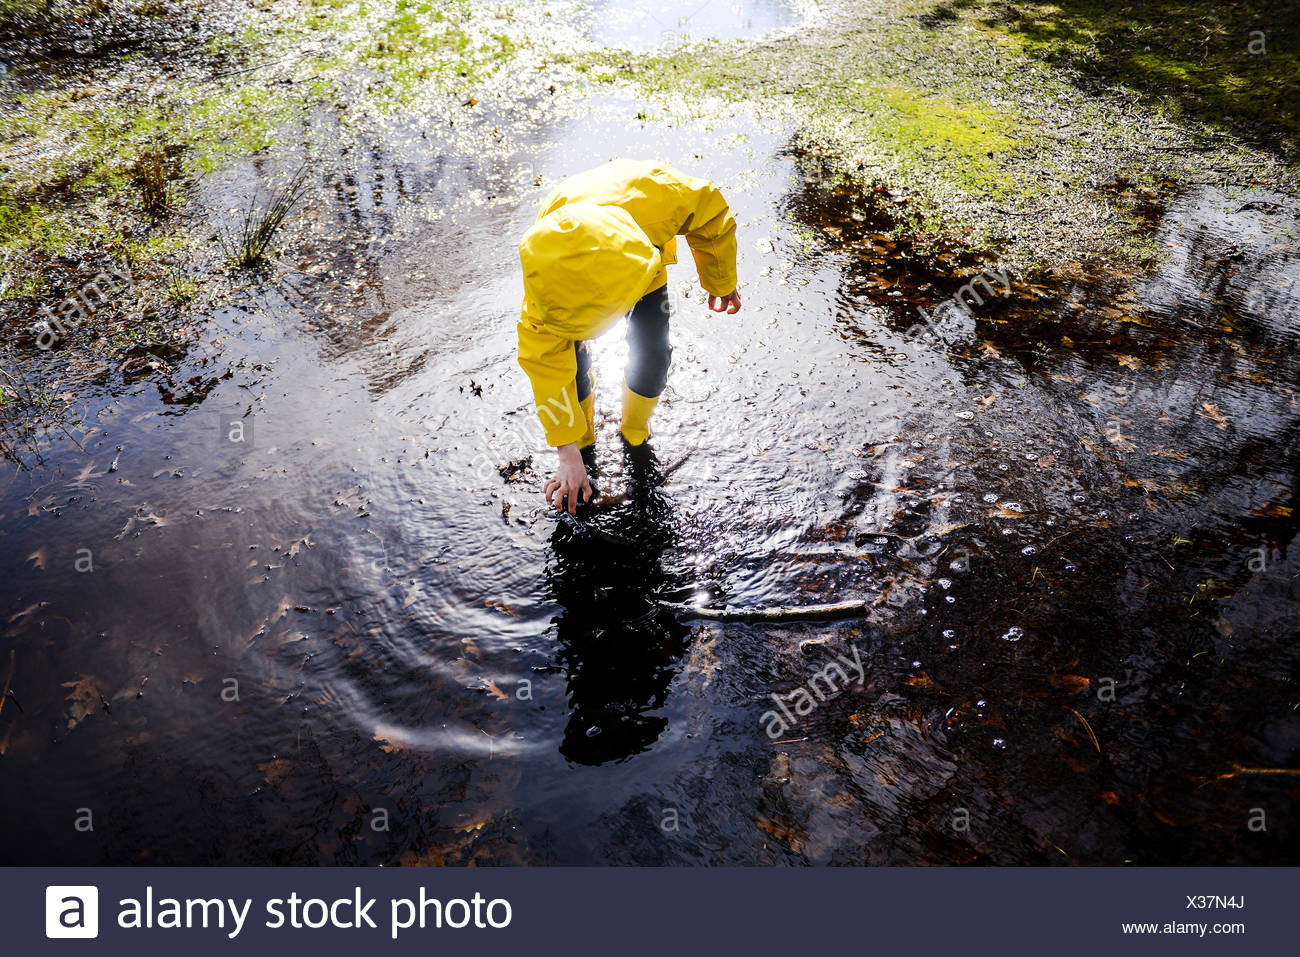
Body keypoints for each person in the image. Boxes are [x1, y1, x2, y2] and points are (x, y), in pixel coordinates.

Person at [516, 159, 742, 514]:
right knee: (570, 361)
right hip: (569, 266)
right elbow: (545, 363)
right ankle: (586, 436)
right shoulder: (547, 287)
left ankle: (635, 430)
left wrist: (720, 282)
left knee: (652, 353)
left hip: (642, 261)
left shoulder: (663, 197)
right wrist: (567, 450)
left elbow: (711, 216)